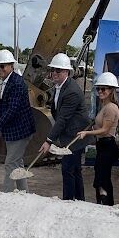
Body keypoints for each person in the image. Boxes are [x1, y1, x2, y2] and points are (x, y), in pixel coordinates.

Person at [38, 53, 88, 201]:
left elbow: (62, 119)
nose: (54, 73)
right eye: (53, 70)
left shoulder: (71, 91)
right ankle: (79, 199)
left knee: (68, 169)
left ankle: (68, 201)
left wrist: (48, 140)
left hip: (75, 136)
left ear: (67, 72)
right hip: (70, 134)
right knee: (74, 169)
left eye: (58, 70)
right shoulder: (59, 87)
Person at [0, 49, 36, 192]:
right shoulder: (8, 81)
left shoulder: (16, 83)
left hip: (20, 131)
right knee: (17, 163)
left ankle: (6, 194)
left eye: (3, 66)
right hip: (15, 130)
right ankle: (23, 193)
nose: (0, 69)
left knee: (10, 163)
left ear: (11, 66)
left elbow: (12, 110)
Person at [79, 71, 119, 205]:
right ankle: (104, 203)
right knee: (101, 176)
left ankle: (106, 203)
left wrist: (87, 133)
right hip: (103, 146)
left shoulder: (110, 108)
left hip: (108, 146)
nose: (100, 91)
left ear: (111, 90)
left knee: (102, 178)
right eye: (98, 89)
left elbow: (104, 130)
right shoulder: (104, 106)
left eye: (103, 89)